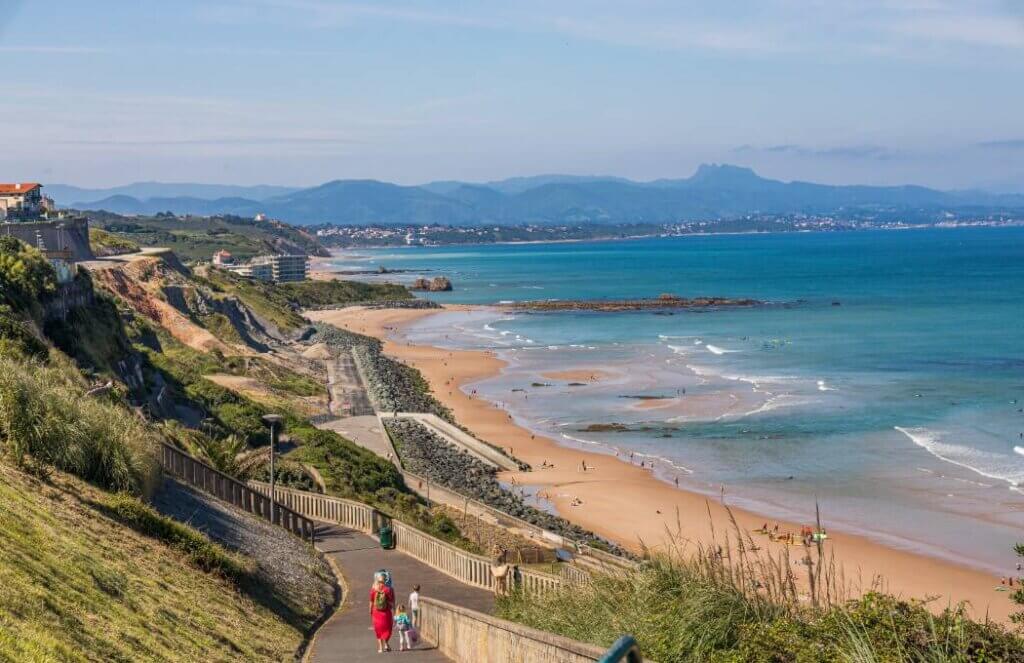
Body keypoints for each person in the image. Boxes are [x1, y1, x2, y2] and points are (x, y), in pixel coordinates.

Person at [370, 572, 395, 653]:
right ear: (385, 580)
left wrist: (370, 611)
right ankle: (386, 643)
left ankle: (380, 647)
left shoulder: (373, 589)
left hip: (376, 612)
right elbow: (391, 602)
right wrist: (393, 609)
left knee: (378, 630)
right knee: (388, 629)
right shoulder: (388, 590)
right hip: (386, 612)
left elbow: (371, 601)